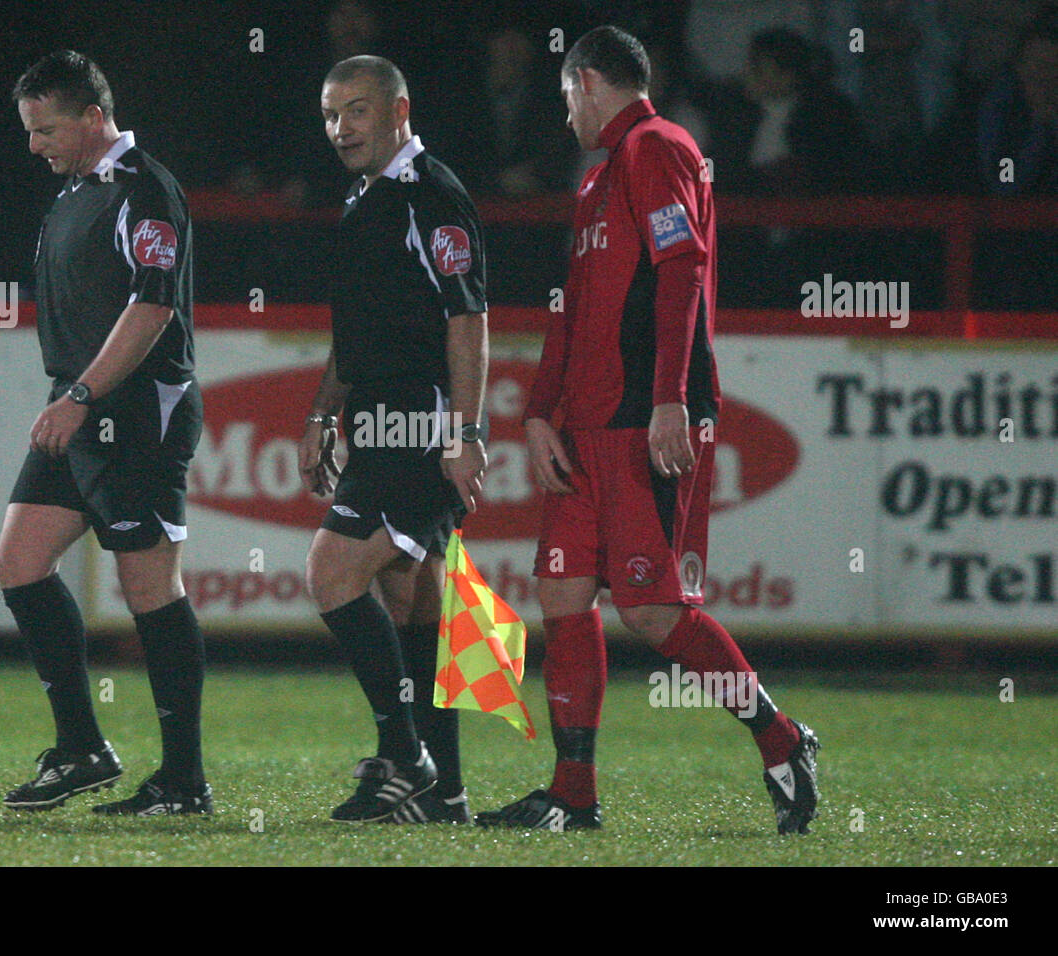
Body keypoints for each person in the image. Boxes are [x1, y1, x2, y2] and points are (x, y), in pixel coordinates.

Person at [475, 26, 820, 835]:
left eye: (566, 97)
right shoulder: (597, 184)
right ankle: (572, 794)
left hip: (644, 419)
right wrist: (536, 413)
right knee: (560, 592)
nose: (564, 116)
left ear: (588, 82)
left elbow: (684, 269)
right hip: (587, 426)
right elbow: (569, 311)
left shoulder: (660, 148)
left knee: (654, 611)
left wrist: (670, 400)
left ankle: (782, 739)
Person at [0, 50, 210, 816]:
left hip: (134, 410)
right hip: (79, 406)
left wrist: (84, 393)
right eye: (27, 130)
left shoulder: (144, 190)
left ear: (93, 116)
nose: (34, 145)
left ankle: (185, 781)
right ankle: (83, 747)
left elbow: (153, 308)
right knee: (19, 564)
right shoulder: (75, 192)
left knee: (149, 585)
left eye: (45, 128)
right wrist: (73, 395)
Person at [300, 55, 488, 824]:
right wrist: (321, 413)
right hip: (374, 419)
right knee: (410, 600)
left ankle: (403, 754)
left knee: (330, 572)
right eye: (330, 114)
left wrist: (465, 432)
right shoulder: (364, 199)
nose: (341, 128)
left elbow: (468, 318)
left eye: (357, 111)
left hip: (417, 422)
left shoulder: (432, 196)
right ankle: (443, 788)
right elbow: (357, 331)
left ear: (399, 109)